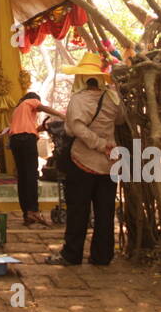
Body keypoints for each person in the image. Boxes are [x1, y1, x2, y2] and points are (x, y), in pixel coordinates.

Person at [49, 75, 122, 266]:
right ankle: (103, 255)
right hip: (109, 161)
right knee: (105, 211)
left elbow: (75, 129)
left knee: (78, 210)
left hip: (82, 159)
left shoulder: (79, 99)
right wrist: (106, 143)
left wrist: (98, 144)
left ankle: (72, 254)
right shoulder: (114, 98)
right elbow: (121, 120)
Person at [7, 91, 65, 227]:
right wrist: (62, 115)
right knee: (32, 175)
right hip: (27, 140)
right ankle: (33, 210)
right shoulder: (30, 101)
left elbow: (26, 129)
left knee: (23, 177)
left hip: (15, 141)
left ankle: (26, 213)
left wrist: (41, 128)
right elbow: (44, 108)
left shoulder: (18, 110)